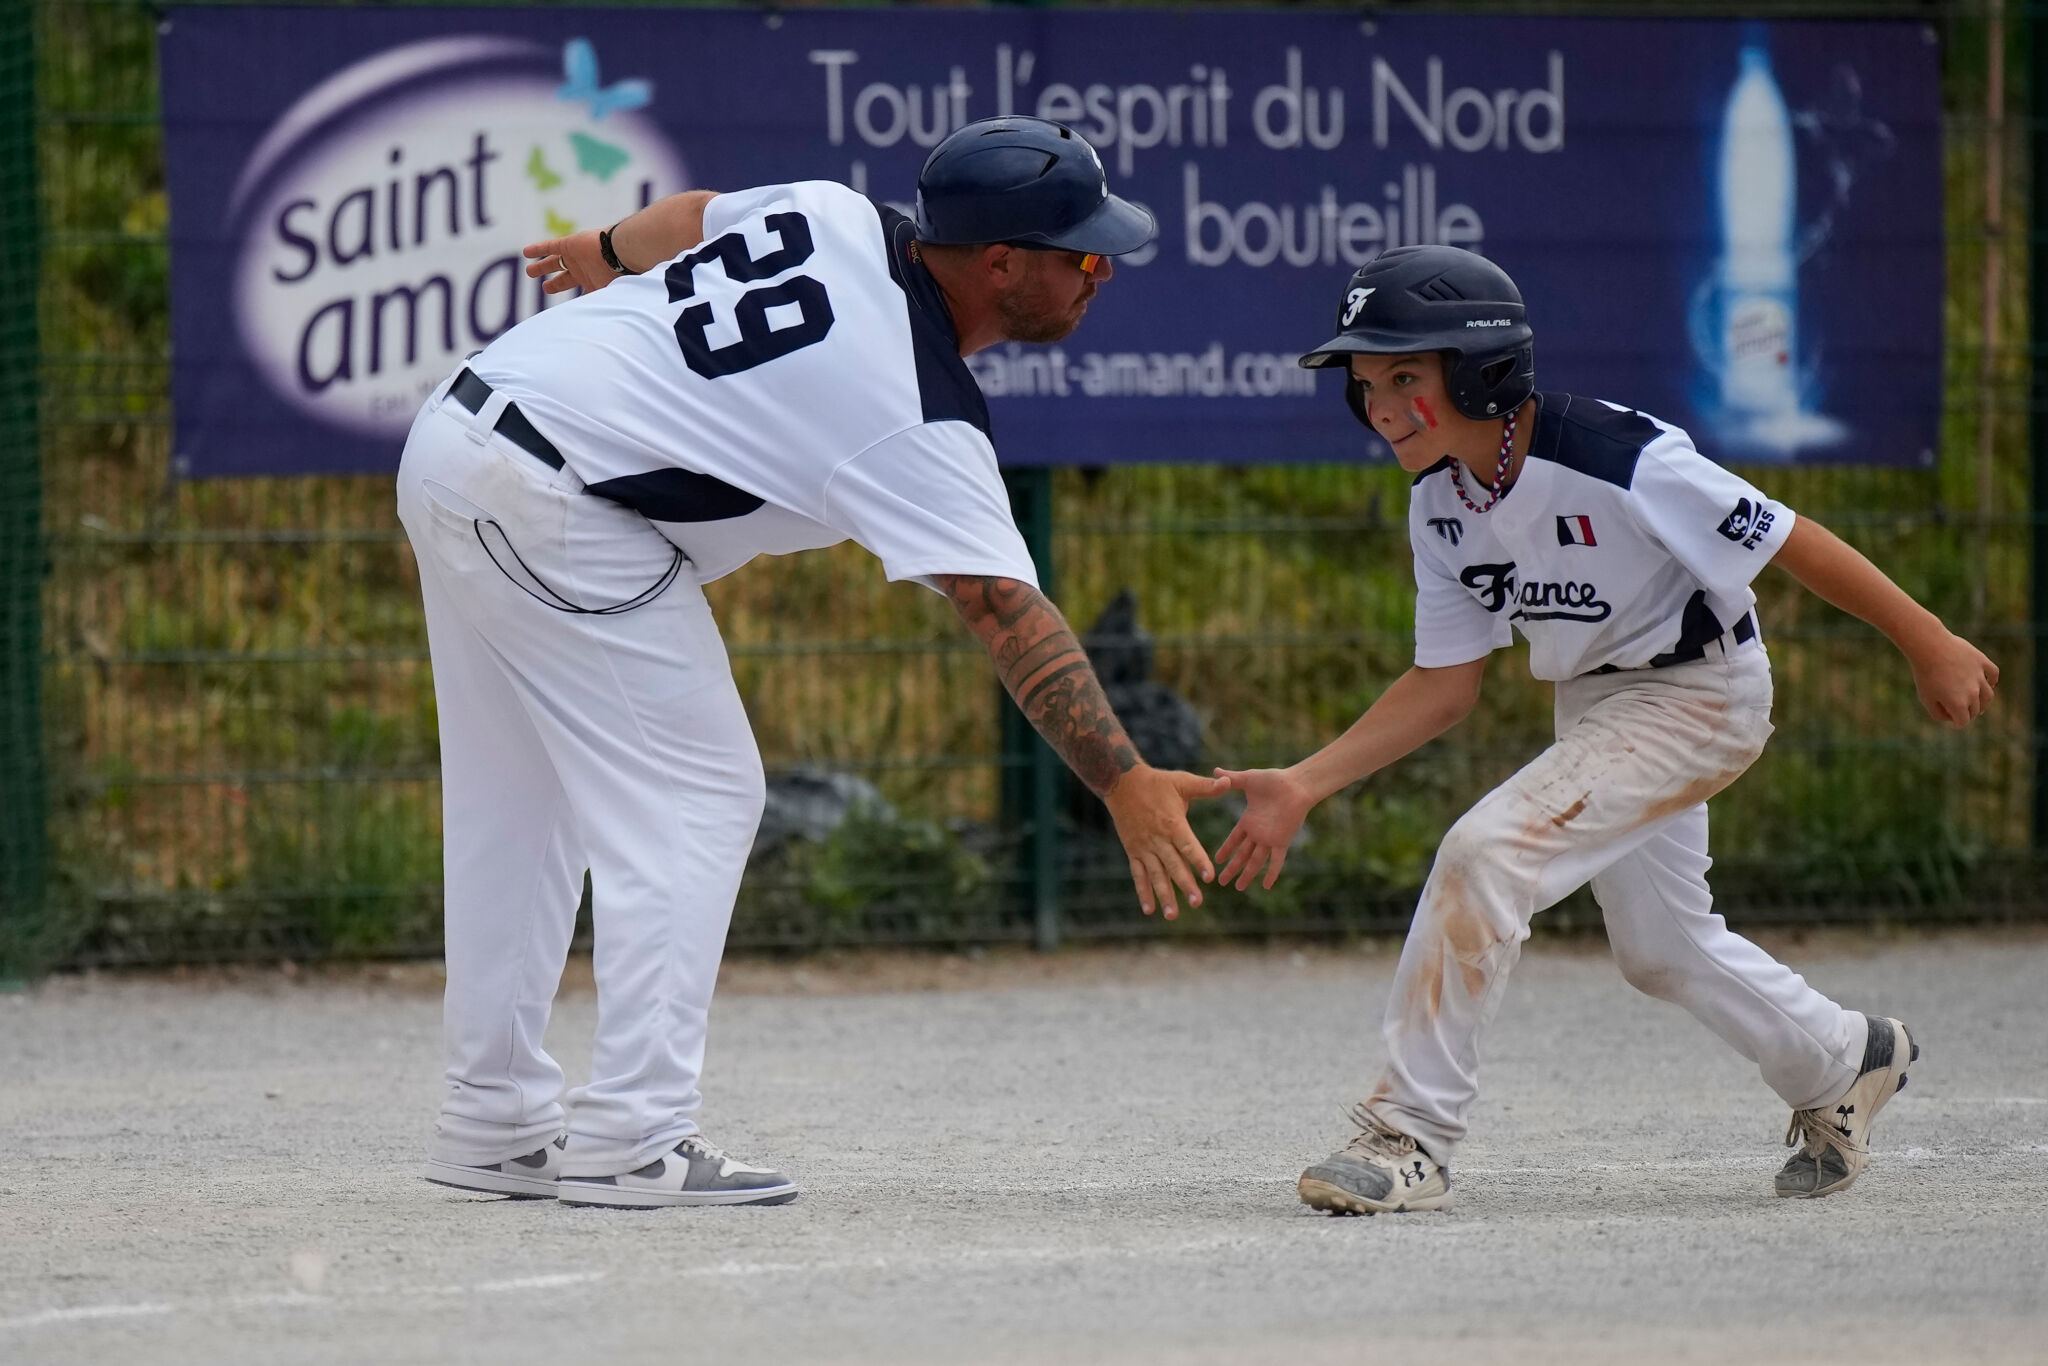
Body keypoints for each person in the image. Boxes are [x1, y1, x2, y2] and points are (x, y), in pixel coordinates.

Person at [398, 116, 1224, 1210]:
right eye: (1080, 253)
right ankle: (632, 1137)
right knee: (699, 795)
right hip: (553, 501)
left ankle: (491, 1121)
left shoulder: (838, 216)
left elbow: (693, 221)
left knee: (522, 804)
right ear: (998, 264)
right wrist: (1124, 782)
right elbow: (999, 607)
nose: (1100, 271)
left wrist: (602, 250)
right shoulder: (913, 412)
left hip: (460, 439)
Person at [1214, 245, 1998, 1215]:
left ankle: (1407, 1132)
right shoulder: (1440, 503)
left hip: (1700, 693)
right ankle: (1844, 1057)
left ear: (1482, 371)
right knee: (1659, 946)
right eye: (1366, 384)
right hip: (1594, 702)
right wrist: (1304, 781)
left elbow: (1790, 539)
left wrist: (1927, 641)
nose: (1378, 408)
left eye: (1405, 378)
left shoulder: (1619, 458)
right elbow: (1443, 686)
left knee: (1484, 850)